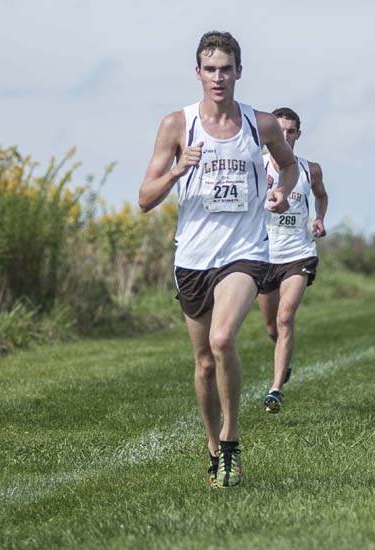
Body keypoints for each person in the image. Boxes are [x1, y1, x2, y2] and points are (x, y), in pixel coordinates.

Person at [138, 31, 298, 489]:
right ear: (198, 74)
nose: (218, 77)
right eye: (210, 69)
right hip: (193, 257)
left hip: (245, 253)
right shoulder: (176, 126)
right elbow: (144, 199)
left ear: (239, 72)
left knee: (224, 338)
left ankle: (231, 440)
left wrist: (281, 192)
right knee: (205, 362)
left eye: (226, 68)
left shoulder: (261, 124)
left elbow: (287, 166)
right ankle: (213, 450)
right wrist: (177, 169)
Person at [257, 107, 328, 414]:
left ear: (298, 134)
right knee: (272, 327)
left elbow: (322, 195)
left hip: (298, 253)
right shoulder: (255, 167)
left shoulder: (310, 169)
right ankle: (282, 362)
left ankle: (275, 390)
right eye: (280, 130)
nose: (285, 136)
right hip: (262, 255)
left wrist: (319, 218)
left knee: (286, 318)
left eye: (291, 131)